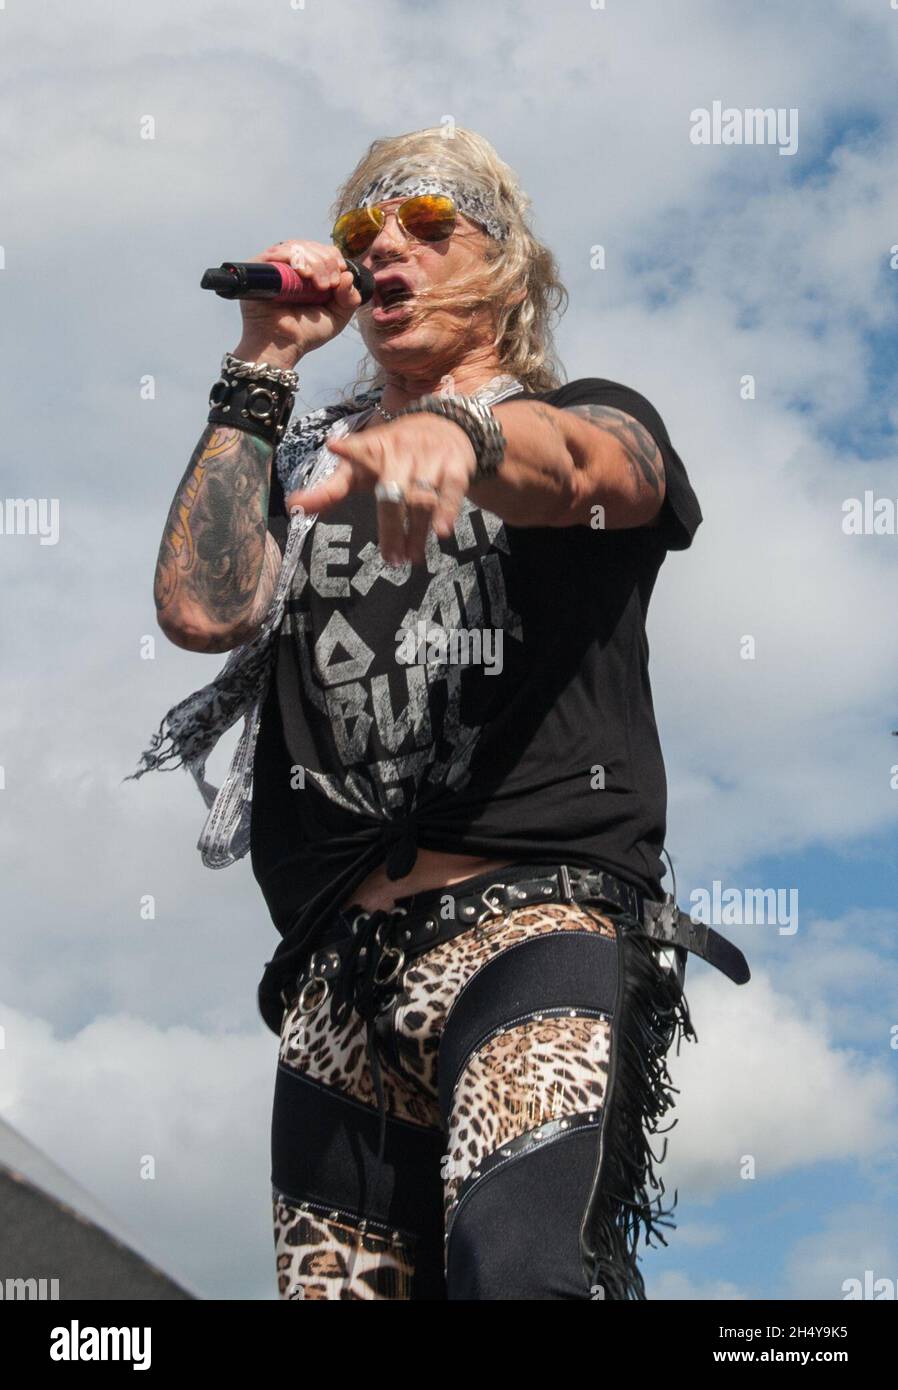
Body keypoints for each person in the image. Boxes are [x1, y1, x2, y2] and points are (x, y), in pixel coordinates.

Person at [129, 126, 748, 1301]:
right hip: (337, 969)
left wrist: (457, 432)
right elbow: (204, 613)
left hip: (531, 925)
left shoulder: (590, 412)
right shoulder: (312, 465)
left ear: (505, 263)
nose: (385, 248)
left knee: (514, 1277)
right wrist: (263, 363)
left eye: (426, 223)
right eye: (363, 231)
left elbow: (583, 470)